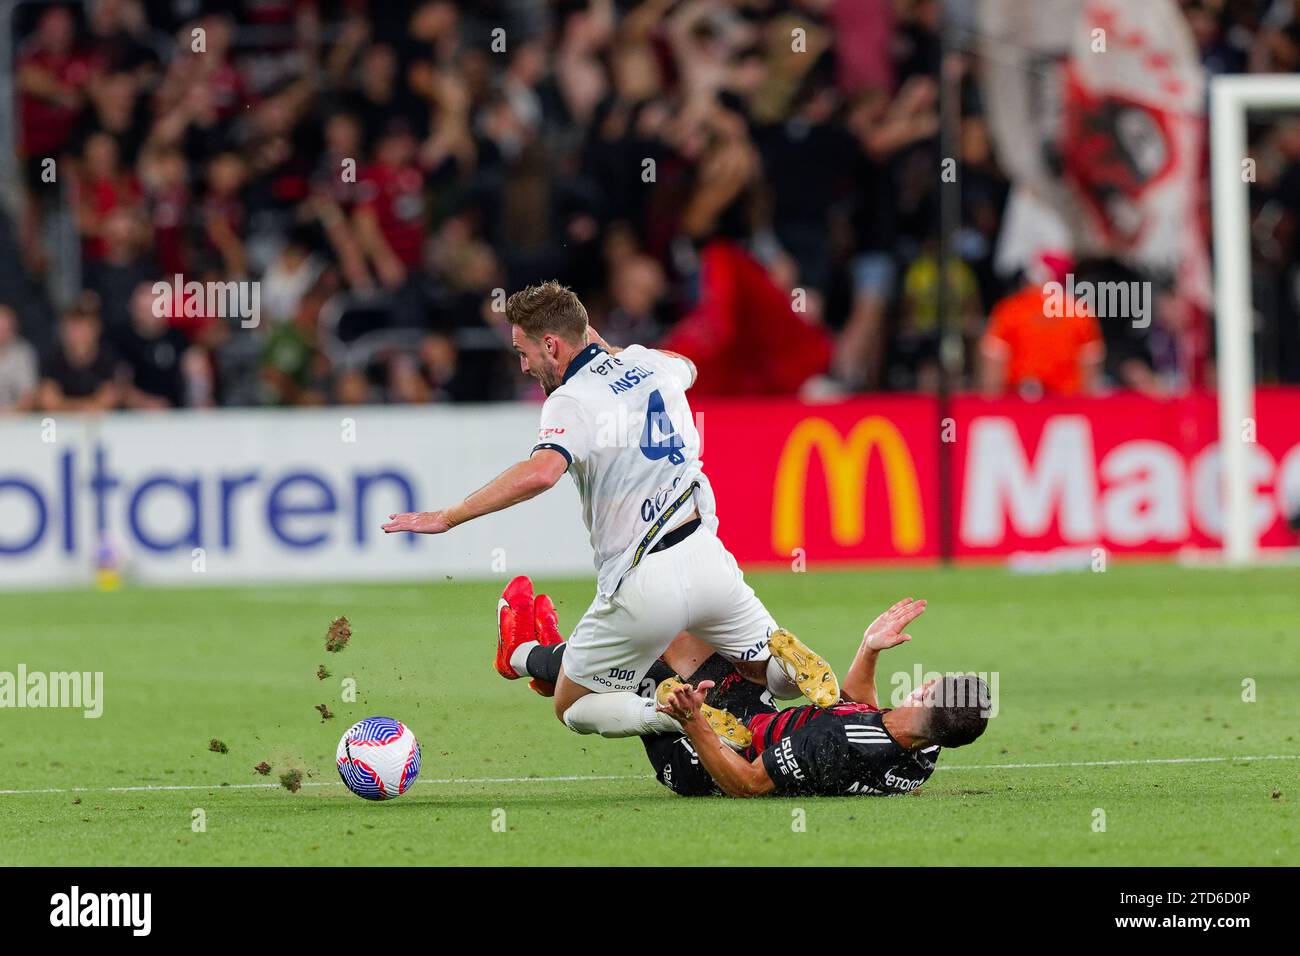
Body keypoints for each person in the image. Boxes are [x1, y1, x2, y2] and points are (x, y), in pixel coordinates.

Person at [383, 280, 836, 740]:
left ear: (552, 345)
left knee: (573, 704)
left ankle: (675, 714)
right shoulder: (649, 361)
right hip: (709, 560)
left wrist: (448, 516)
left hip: (643, 581)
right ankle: (786, 662)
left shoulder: (571, 400)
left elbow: (541, 472)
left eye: (524, 352)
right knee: (766, 675)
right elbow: (689, 367)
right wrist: (606, 352)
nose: (523, 365)